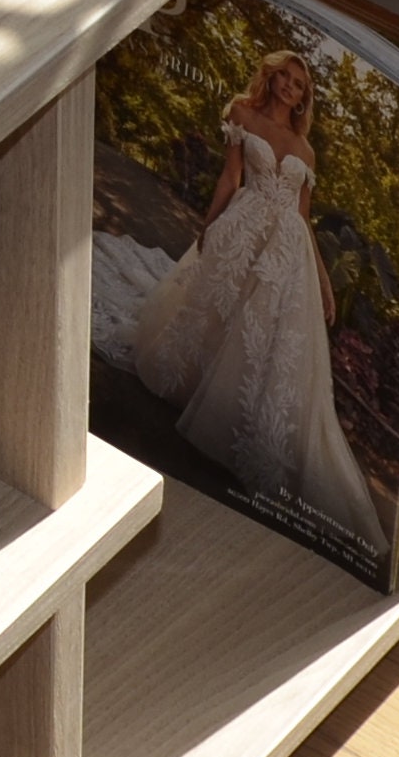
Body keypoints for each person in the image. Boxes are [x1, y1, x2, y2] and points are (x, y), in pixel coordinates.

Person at [116, 50, 385, 554]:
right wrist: (209, 224)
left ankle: (232, 420)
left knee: (261, 334)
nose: (288, 85)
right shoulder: (243, 114)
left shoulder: (306, 152)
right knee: (216, 311)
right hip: (244, 229)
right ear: (271, 78)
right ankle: (191, 385)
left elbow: (302, 219)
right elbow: (230, 177)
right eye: (282, 76)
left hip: (285, 250)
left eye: (298, 82)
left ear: (305, 95)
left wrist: (324, 284)